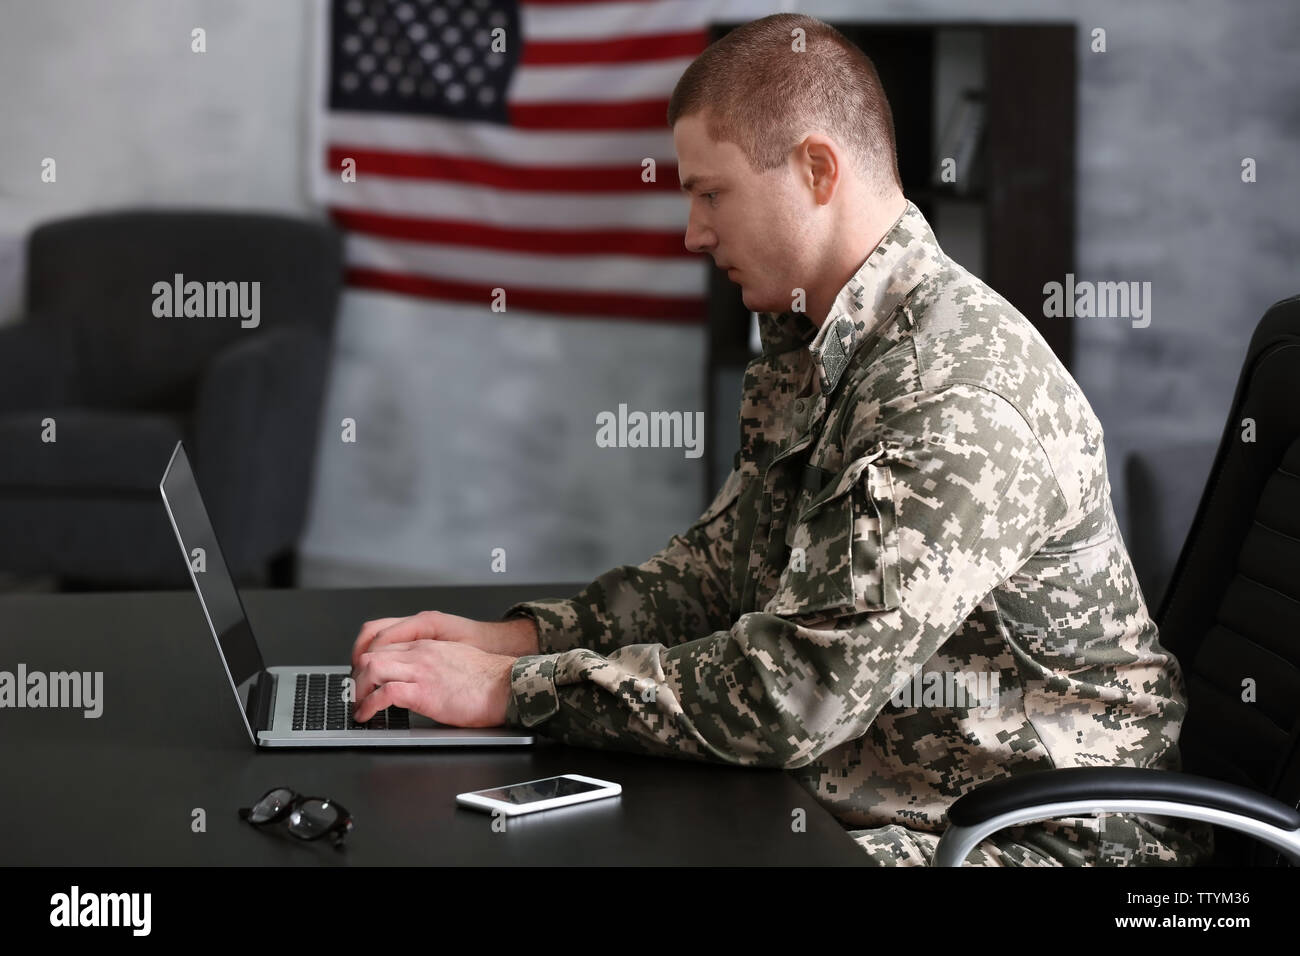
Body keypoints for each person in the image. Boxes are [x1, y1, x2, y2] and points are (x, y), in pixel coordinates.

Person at [349, 13, 1213, 866]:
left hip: (1042, 842)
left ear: (816, 169)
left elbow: (794, 694)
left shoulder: (951, 395)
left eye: (709, 192)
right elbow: (724, 572)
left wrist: (511, 691)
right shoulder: (815, 338)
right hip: (887, 796)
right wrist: (528, 640)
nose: (694, 232)